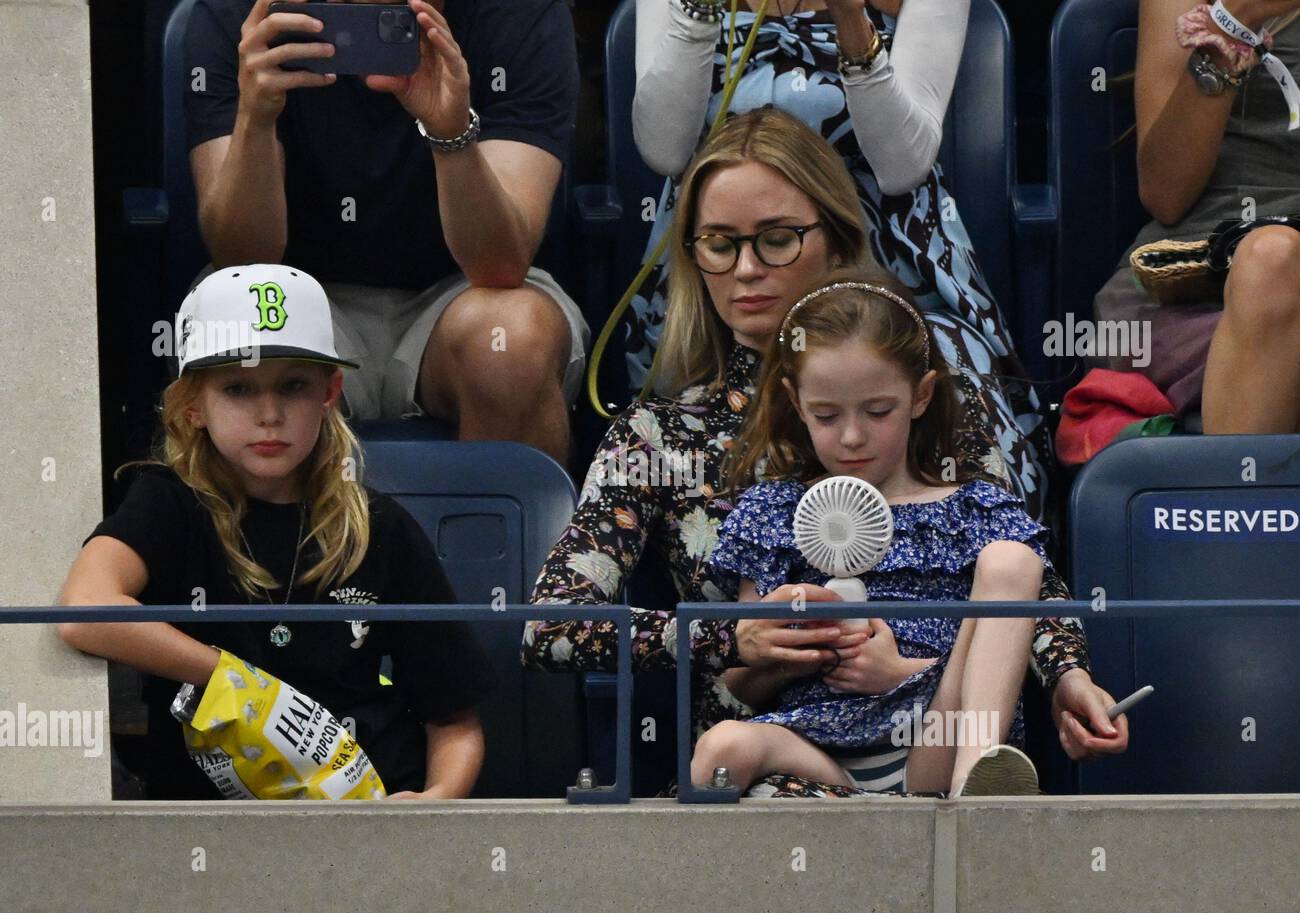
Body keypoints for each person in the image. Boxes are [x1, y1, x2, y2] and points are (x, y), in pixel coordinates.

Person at [522, 109, 1127, 798]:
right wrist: (725, 637)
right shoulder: (656, 435)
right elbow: (552, 626)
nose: (746, 268)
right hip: (771, 766)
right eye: (719, 244)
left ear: (838, 238)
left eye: (776, 239)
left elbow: (1016, 569)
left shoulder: (929, 398)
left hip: (936, 741)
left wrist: (1068, 678)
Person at [58, 265, 491, 799]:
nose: (269, 415)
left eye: (293, 386)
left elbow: (454, 722)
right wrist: (236, 683)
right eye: (238, 388)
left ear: (330, 392)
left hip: (366, 818)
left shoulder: (378, 526)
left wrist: (433, 802)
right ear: (192, 405)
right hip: (206, 836)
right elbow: (82, 612)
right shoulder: (167, 503)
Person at [624, 0, 1053, 520]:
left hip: (882, 261)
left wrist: (851, 18)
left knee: (929, 363)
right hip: (725, 257)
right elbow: (664, 149)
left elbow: (902, 164)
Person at [184, 0, 589, 464]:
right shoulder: (241, 14)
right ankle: (266, 539)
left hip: (462, 295)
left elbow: (500, 263)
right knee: (244, 329)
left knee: (511, 341)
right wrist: (255, 120)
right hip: (297, 296)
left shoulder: (519, 12)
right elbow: (242, 264)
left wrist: (450, 135)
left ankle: (501, 537)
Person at [697, 269, 1046, 797]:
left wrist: (900, 671)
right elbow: (742, 684)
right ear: (796, 403)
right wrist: (790, 650)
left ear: (921, 396)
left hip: (934, 740)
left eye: (878, 411)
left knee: (1012, 562)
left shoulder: (975, 509)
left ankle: (978, 784)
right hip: (814, 750)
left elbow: (1000, 661)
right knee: (722, 746)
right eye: (827, 415)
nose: (853, 436)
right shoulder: (772, 513)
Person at [1093, 0, 1300, 431]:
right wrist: (1234, 22)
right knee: (1271, 260)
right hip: (1205, 277)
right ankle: (1238, 496)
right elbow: (1166, 193)